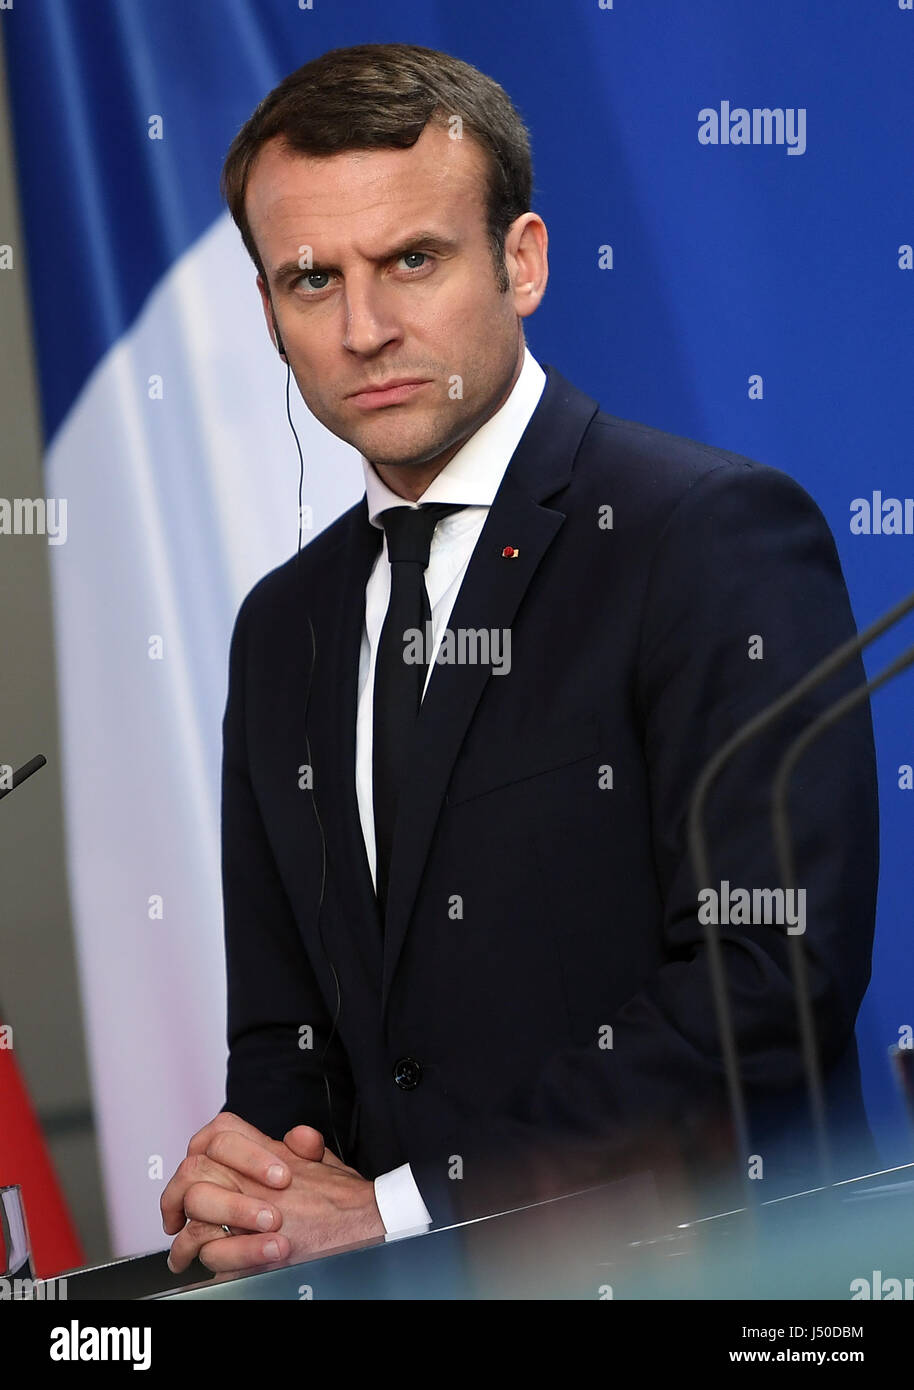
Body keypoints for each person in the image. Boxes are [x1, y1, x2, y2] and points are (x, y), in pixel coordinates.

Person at [161, 43, 878, 1277]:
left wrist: (401, 1205)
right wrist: (264, 1183)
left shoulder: (707, 535)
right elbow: (283, 1035)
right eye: (310, 279)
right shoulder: (281, 627)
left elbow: (763, 981)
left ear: (523, 261)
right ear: (270, 313)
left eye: (412, 261)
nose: (365, 327)